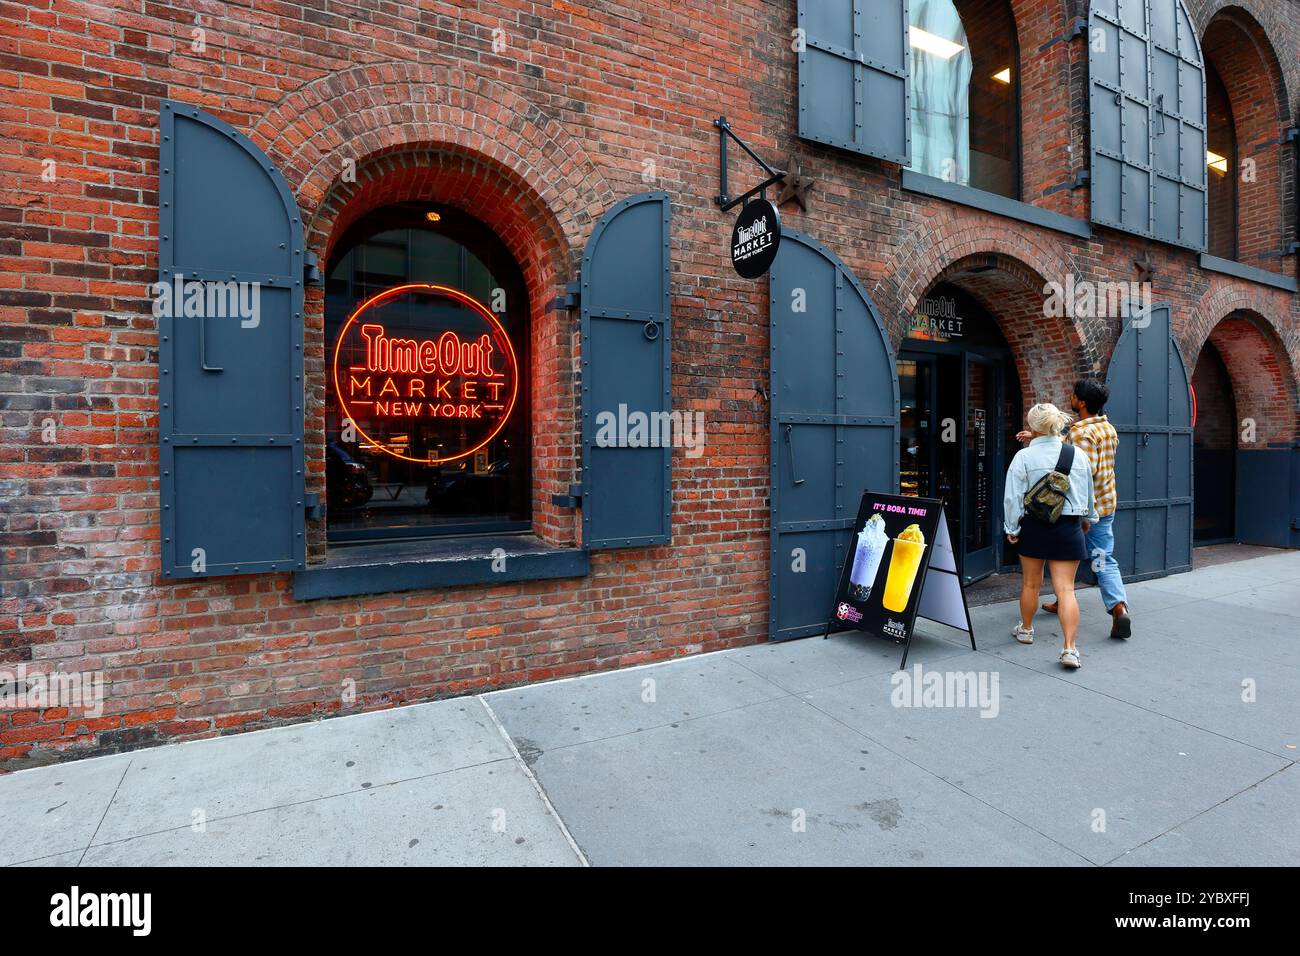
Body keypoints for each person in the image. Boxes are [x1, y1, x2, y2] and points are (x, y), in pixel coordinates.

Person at [1018, 379, 1131, 639]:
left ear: (1080, 402)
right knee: (1099, 557)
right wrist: (1036, 435)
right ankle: (1112, 606)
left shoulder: (1081, 434)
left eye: (1073, 395)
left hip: (1083, 510)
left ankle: (1112, 607)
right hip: (1107, 504)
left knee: (1078, 556)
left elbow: (1082, 474)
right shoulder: (1107, 428)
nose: (1069, 397)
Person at [1004, 403, 1099, 669]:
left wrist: (1012, 528)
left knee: (1030, 584)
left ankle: (1026, 629)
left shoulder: (1023, 457)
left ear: (1033, 427)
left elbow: (1012, 497)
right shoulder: (1077, 455)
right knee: (1066, 589)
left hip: (1034, 525)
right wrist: (1088, 519)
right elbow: (1089, 494)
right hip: (1068, 527)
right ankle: (1070, 649)